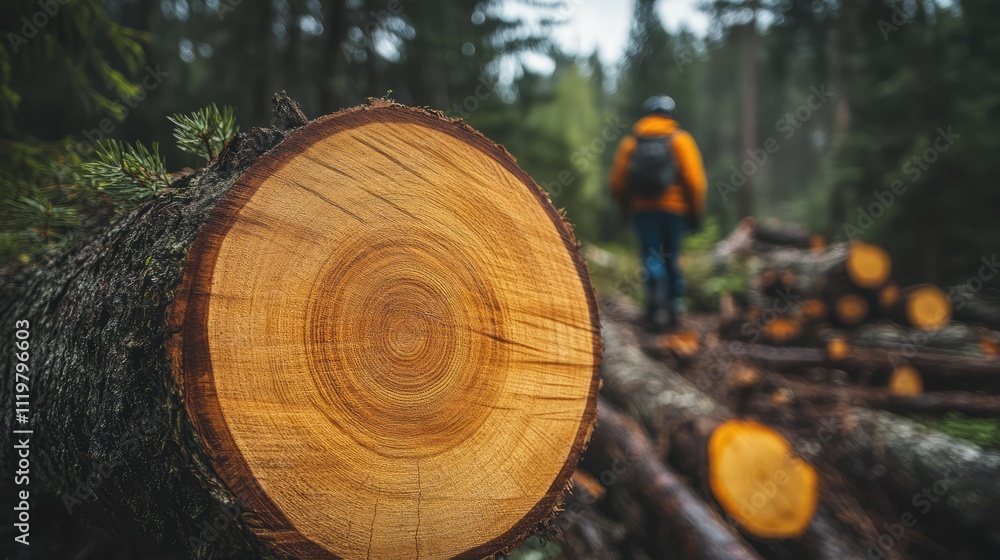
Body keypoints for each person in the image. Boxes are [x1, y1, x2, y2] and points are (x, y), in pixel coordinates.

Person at [609, 95, 707, 331]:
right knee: (672, 258)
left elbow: (617, 183)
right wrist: (695, 213)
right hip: (675, 211)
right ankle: (672, 311)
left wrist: (626, 208)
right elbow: (695, 182)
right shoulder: (680, 140)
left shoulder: (631, 144)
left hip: (643, 211)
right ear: (669, 115)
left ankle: (653, 308)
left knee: (651, 257)